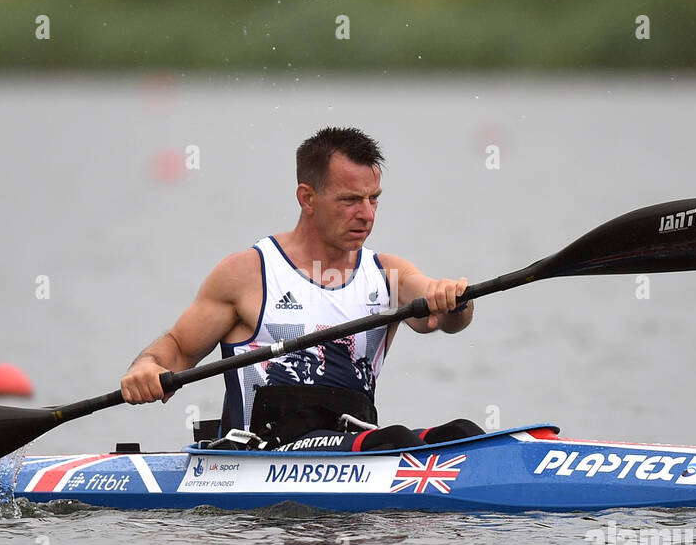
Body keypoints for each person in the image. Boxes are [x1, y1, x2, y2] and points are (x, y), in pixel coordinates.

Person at [119, 127, 483, 450]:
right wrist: (147, 368)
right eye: (350, 200)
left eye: (374, 198)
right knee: (396, 441)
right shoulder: (248, 274)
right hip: (258, 455)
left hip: (357, 445)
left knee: (464, 434)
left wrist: (451, 300)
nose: (367, 214)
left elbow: (444, 319)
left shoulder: (387, 274)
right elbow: (178, 350)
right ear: (307, 198)